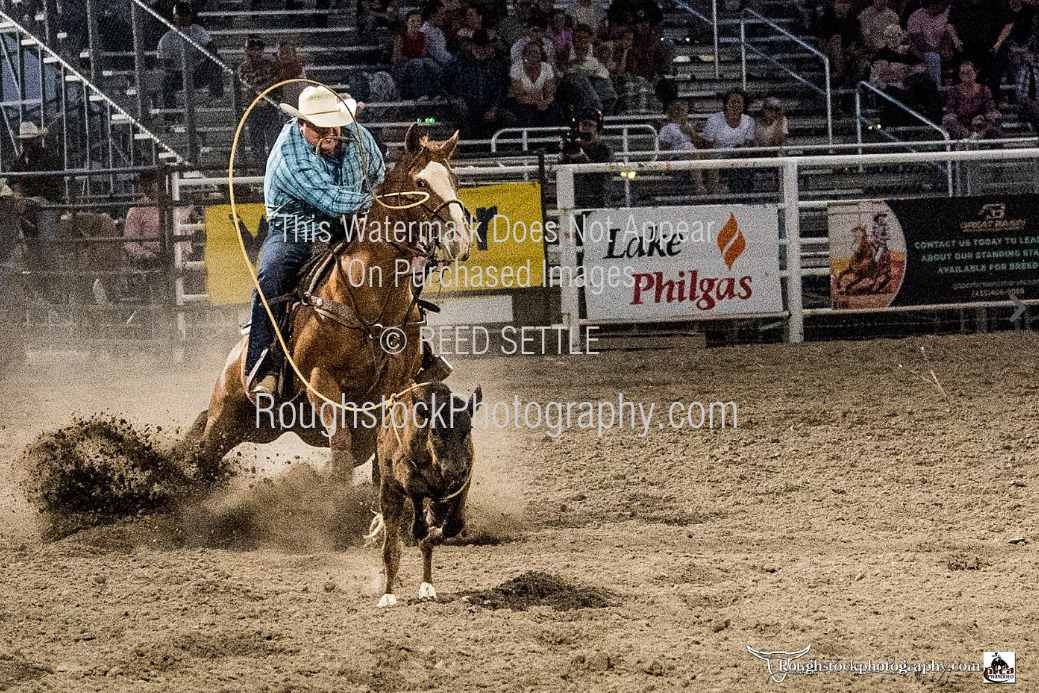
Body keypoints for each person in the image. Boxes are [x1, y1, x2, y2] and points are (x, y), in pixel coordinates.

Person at [246, 86, 385, 396]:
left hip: (348, 227)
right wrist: (378, 206)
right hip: (295, 231)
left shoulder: (358, 137)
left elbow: (378, 175)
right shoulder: (288, 153)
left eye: (333, 125)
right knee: (271, 276)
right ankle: (263, 367)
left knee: (390, 264)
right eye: (320, 128)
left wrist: (375, 203)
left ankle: (414, 348)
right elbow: (330, 199)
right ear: (302, 124)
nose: (330, 133)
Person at [443, 29, 511, 137]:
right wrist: (453, 99)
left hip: (487, 107)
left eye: (484, 46)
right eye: (478, 45)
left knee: (507, 120)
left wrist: (494, 108)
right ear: (472, 45)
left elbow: (501, 88)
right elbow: (444, 81)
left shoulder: (495, 65)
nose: (481, 49)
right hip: (465, 105)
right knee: (466, 120)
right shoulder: (459, 61)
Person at [157, 2, 224, 111]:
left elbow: (212, 48)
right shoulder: (167, 38)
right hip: (179, 74)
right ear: (174, 17)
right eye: (181, 14)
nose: (184, 17)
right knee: (166, 82)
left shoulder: (197, 30)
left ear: (191, 15)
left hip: (197, 72)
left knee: (216, 60)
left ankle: (215, 96)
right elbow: (165, 63)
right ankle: (171, 116)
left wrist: (200, 55)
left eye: (186, 14)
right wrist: (181, 63)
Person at [701, 87, 756, 195]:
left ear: (743, 105)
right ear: (726, 104)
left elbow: (748, 145)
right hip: (717, 157)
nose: (735, 105)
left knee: (743, 165)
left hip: (737, 157)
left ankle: (743, 198)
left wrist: (738, 150)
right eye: (732, 102)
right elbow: (707, 145)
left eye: (739, 102)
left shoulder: (749, 121)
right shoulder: (714, 119)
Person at [237, 36, 284, 163]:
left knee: (274, 141)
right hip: (254, 109)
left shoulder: (270, 64)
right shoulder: (243, 67)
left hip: (271, 107)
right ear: (246, 51)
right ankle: (260, 167)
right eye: (252, 49)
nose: (256, 52)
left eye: (259, 49)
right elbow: (252, 83)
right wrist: (270, 83)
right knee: (257, 143)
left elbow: (279, 81)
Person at [559, 107, 613, 207]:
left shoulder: (603, 149)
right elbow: (560, 176)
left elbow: (600, 178)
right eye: (584, 124)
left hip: (597, 201)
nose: (587, 128)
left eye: (591, 125)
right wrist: (563, 154)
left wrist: (580, 157)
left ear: (597, 128)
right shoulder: (573, 146)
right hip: (574, 200)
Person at [657, 98, 711, 195]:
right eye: (677, 109)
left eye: (683, 110)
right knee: (693, 155)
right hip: (676, 155)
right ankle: (699, 187)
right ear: (671, 112)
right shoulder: (667, 128)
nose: (680, 112)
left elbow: (698, 144)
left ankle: (714, 188)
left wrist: (690, 132)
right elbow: (665, 148)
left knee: (711, 156)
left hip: (692, 151)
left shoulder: (689, 126)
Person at [506, 40, 562, 126]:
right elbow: (519, 95)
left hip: (541, 100)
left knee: (554, 109)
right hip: (521, 102)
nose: (533, 55)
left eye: (536, 52)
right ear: (524, 55)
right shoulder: (516, 68)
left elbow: (550, 93)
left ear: (540, 55)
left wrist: (544, 102)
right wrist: (537, 101)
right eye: (529, 52)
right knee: (527, 112)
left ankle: (551, 137)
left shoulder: (547, 67)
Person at [907, 0, 962, 86]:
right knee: (933, 57)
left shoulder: (943, 16)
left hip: (940, 48)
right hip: (921, 52)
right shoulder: (916, 17)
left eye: (939, 6)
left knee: (952, 53)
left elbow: (947, 33)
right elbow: (918, 41)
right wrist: (938, 51)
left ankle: (953, 85)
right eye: (934, 7)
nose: (937, 9)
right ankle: (936, 86)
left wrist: (945, 48)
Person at [942, 60, 1001, 139]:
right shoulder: (953, 91)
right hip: (960, 125)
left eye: (969, 71)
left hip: (980, 124)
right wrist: (962, 129)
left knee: (994, 125)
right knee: (950, 123)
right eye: (963, 73)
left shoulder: (984, 90)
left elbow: (990, 109)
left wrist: (983, 118)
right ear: (959, 75)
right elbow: (950, 112)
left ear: (975, 73)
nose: (967, 75)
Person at [393, 10, 438, 98]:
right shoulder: (401, 37)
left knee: (431, 64)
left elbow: (423, 55)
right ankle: (421, 94)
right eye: (412, 21)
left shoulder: (423, 37)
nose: (415, 24)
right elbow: (396, 59)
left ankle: (437, 92)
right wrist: (409, 60)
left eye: (418, 21)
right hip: (402, 68)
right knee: (417, 63)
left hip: (418, 63)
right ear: (407, 23)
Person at [276, 40, 308, 108]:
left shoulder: (297, 67)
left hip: (299, 106)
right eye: (281, 53)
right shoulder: (278, 68)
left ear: (293, 54)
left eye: (287, 52)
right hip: (286, 107)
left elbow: (285, 75)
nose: (284, 56)